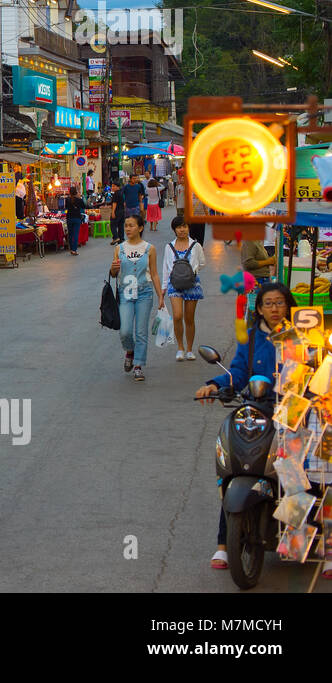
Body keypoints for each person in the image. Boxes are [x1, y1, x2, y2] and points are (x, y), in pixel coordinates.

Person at [192, 283, 298, 572]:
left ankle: (322, 544)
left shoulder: (302, 337)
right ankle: (224, 545)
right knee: (236, 469)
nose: (275, 309)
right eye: (269, 303)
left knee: (309, 476)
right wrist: (214, 384)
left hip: (296, 415)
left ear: (288, 305)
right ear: (259, 308)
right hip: (256, 412)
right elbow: (238, 372)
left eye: (280, 303)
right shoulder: (250, 339)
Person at [108, 213, 164, 381]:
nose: (127, 229)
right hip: (125, 293)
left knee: (141, 331)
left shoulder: (149, 248)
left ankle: (138, 365)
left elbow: (154, 274)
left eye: (131, 225)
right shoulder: (120, 248)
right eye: (126, 225)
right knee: (125, 330)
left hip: (144, 292)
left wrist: (160, 295)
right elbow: (113, 274)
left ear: (140, 228)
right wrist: (113, 268)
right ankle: (130, 351)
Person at [161, 215, 204, 362]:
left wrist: (193, 270)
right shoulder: (169, 247)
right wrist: (163, 288)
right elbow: (166, 268)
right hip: (174, 284)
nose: (182, 230)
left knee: (189, 318)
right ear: (174, 230)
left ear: (188, 228)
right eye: (179, 227)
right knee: (178, 315)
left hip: (192, 284)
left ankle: (190, 349)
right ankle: (180, 348)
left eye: (184, 226)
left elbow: (202, 262)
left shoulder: (196, 246)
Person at [64, 188, 85, 255]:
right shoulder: (79, 200)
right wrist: (79, 198)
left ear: (69, 192)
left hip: (69, 218)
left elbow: (66, 207)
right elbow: (84, 206)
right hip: (77, 218)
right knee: (75, 234)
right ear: (76, 192)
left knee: (70, 234)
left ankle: (71, 248)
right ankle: (74, 250)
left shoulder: (67, 199)